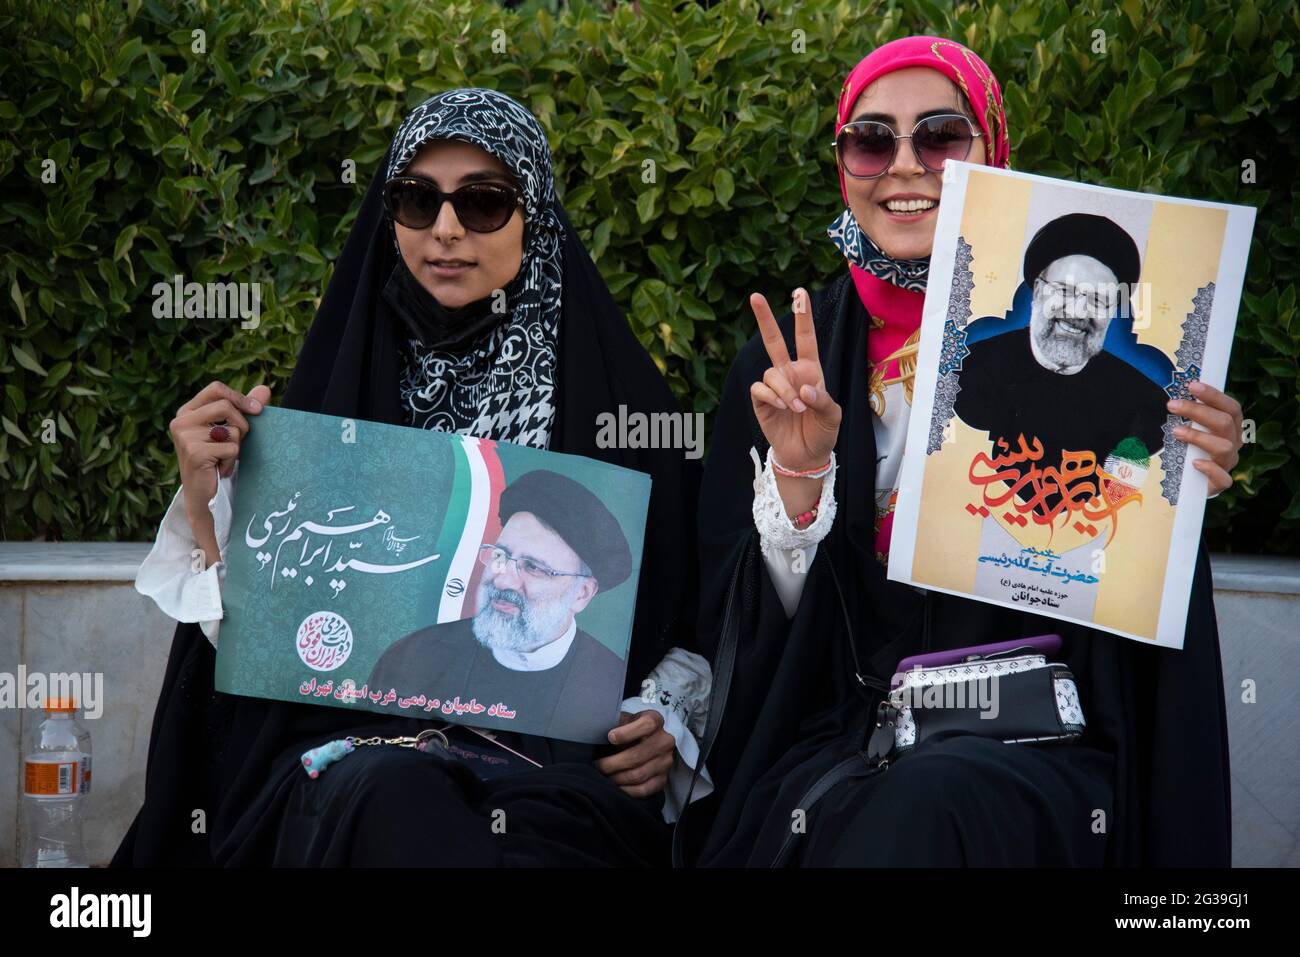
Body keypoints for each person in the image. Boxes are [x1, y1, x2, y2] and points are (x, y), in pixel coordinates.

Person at [682, 36, 1243, 867]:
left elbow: (1139, 608)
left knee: (927, 804)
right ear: (842, 165)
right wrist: (800, 486)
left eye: (941, 136)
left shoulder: (1132, 389)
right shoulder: (789, 366)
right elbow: (746, 631)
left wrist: (1183, 469)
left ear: (992, 152)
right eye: (871, 140)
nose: (905, 166)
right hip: (843, 736)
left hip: (1040, 746)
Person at [119, 89, 711, 867]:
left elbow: (692, 616)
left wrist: (663, 725)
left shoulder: (622, 410)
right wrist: (209, 509)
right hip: (358, 764)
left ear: (534, 215)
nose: (446, 229)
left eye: (484, 202)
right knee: (394, 795)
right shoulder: (337, 400)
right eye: (416, 199)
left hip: (555, 775)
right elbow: (264, 658)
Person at [368, 469, 631, 743]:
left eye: (533, 567)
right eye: (500, 556)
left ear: (582, 594)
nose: (503, 579)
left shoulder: (612, 687)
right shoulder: (414, 656)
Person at [953, 213, 1171, 511]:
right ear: (1037, 291)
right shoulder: (966, 371)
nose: (1078, 311)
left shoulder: (1148, 405)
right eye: (1064, 291)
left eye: (1098, 300)